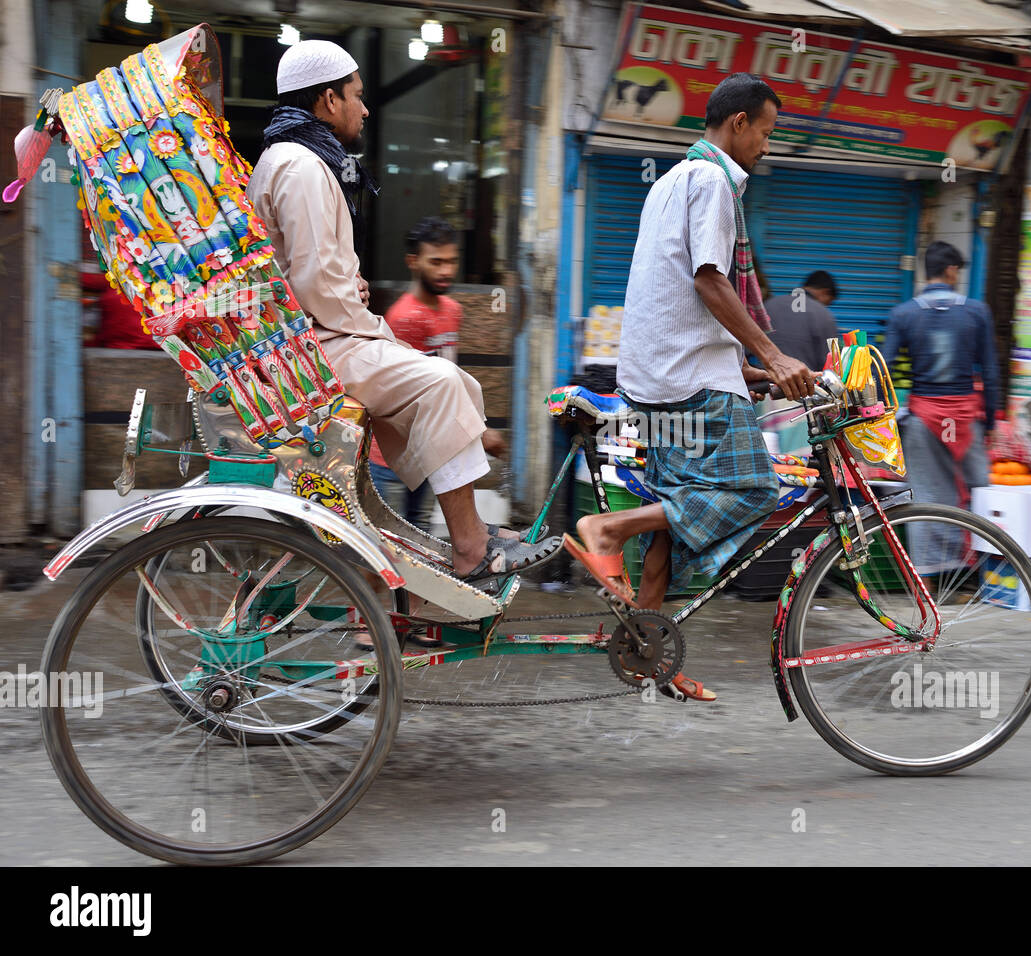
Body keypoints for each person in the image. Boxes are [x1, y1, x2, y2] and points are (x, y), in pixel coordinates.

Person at [247, 40, 557, 600]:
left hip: (314, 336)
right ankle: (469, 545)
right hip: (318, 347)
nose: (365, 109)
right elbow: (321, 288)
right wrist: (375, 323)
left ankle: (462, 537)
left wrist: (350, 289)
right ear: (328, 99)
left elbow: (310, 273)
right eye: (357, 97)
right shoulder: (302, 167)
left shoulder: (286, 159)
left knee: (445, 380)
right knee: (439, 381)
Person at [563, 73, 817, 702]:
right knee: (759, 487)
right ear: (738, 123)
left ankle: (652, 653)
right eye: (765, 130)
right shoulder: (714, 181)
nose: (767, 144)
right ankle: (605, 530)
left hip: (660, 374)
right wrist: (773, 353)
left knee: (672, 527)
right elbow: (708, 280)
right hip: (686, 378)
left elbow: (681, 290)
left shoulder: (672, 180)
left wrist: (745, 368)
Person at [368, 216, 506, 531]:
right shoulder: (403, 317)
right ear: (413, 262)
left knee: (418, 532)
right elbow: (403, 391)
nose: (446, 271)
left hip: (428, 448)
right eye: (436, 262)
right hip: (394, 456)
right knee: (390, 539)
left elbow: (451, 375)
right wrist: (477, 432)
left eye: (452, 262)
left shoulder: (451, 310)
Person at [883, 242, 999, 580]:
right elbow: (990, 372)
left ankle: (930, 581)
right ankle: (981, 575)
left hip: (922, 419)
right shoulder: (977, 312)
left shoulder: (903, 314)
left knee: (928, 495)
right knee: (981, 491)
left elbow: (884, 369)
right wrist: (989, 421)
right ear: (951, 271)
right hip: (966, 418)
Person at [765, 270, 841, 372]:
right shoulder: (823, 315)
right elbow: (830, 364)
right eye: (828, 302)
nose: (827, 305)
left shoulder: (768, 305)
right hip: (803, 384)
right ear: (825, 292)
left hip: (762, 383)